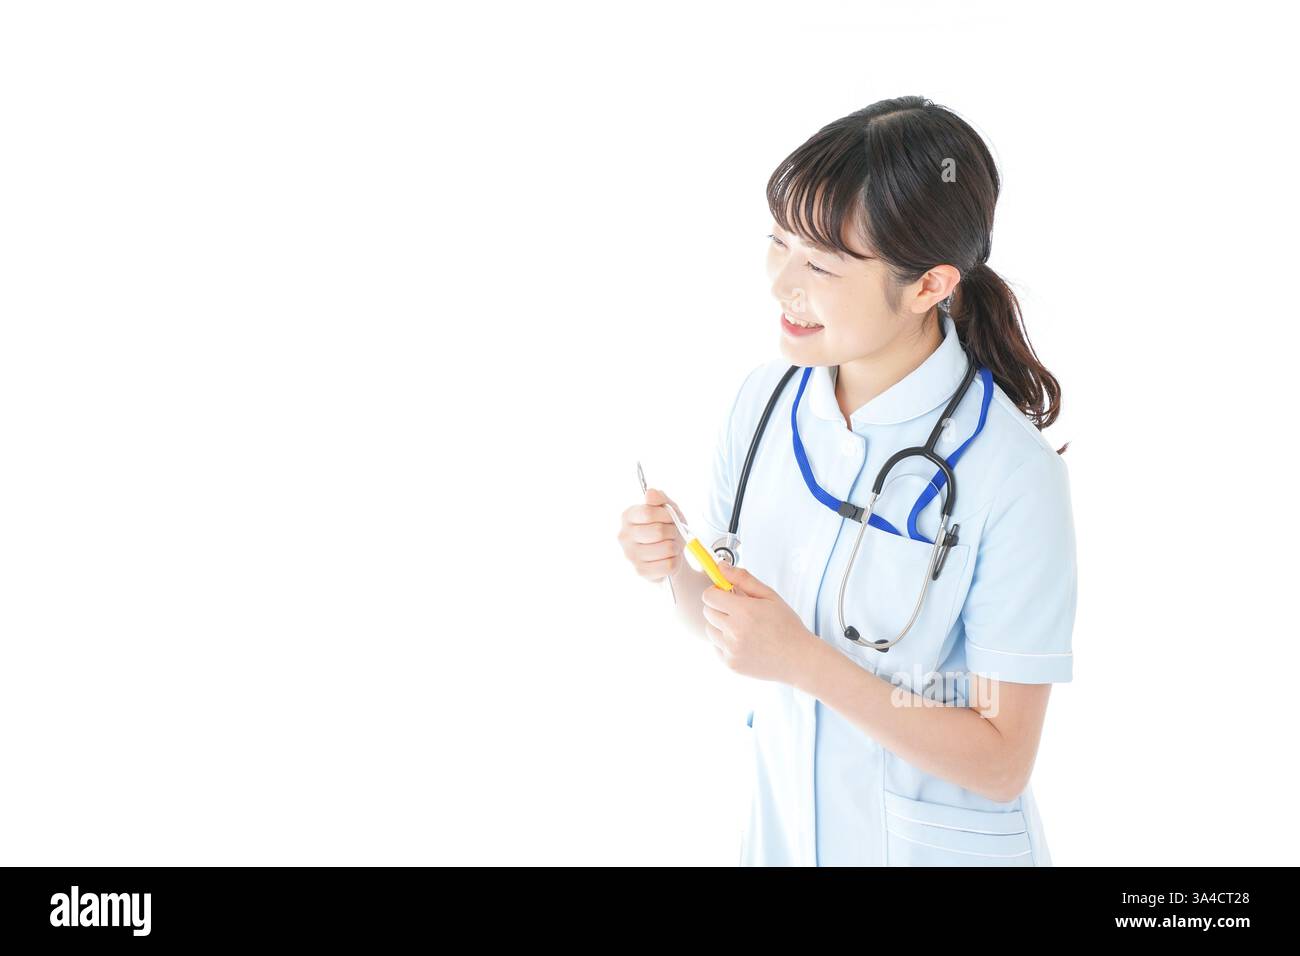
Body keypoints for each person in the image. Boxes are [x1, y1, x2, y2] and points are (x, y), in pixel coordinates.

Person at [617, 96, 1077, 866]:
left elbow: (1002, 759)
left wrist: (806, 661)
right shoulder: (764, 402)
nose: (782, 283)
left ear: (931, 285)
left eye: (822, 265)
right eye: (779, 243)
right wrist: (676, 568)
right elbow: (732, 627)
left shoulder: (1011, 475)